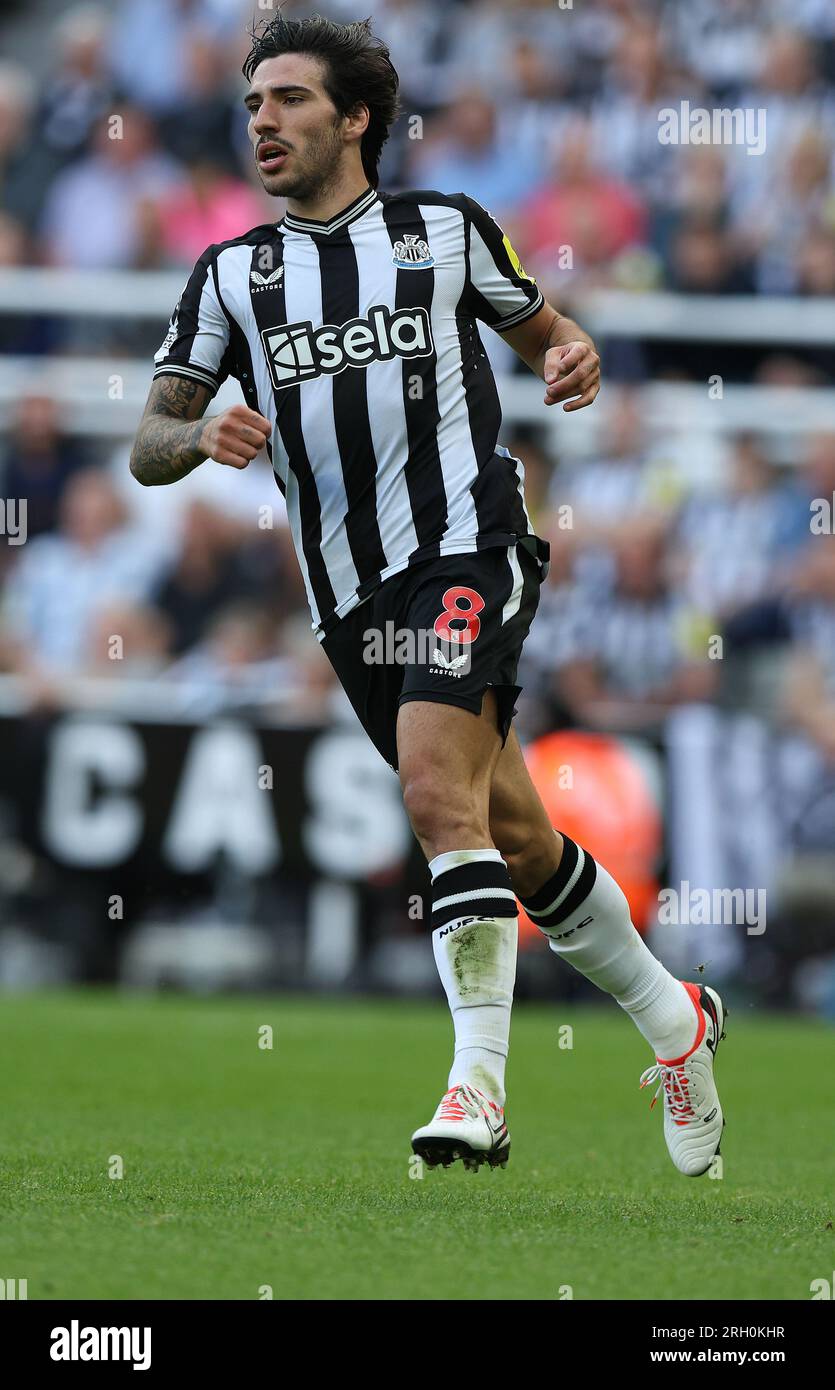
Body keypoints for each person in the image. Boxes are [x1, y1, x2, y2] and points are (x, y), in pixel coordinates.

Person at [129, 13, 726, 1177]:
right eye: (253, 104)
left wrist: (573, 354)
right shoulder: (233, 276)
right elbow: (147, 438)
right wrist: (198, 428)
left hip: (468, 543)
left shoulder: (445, 233)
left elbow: (553, 333)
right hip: (347, 597)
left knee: (429, 793)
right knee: (511, 832)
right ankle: (675, 1020)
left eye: (290, 100)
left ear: (356, 118)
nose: (263, 121)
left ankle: (477, 1089)